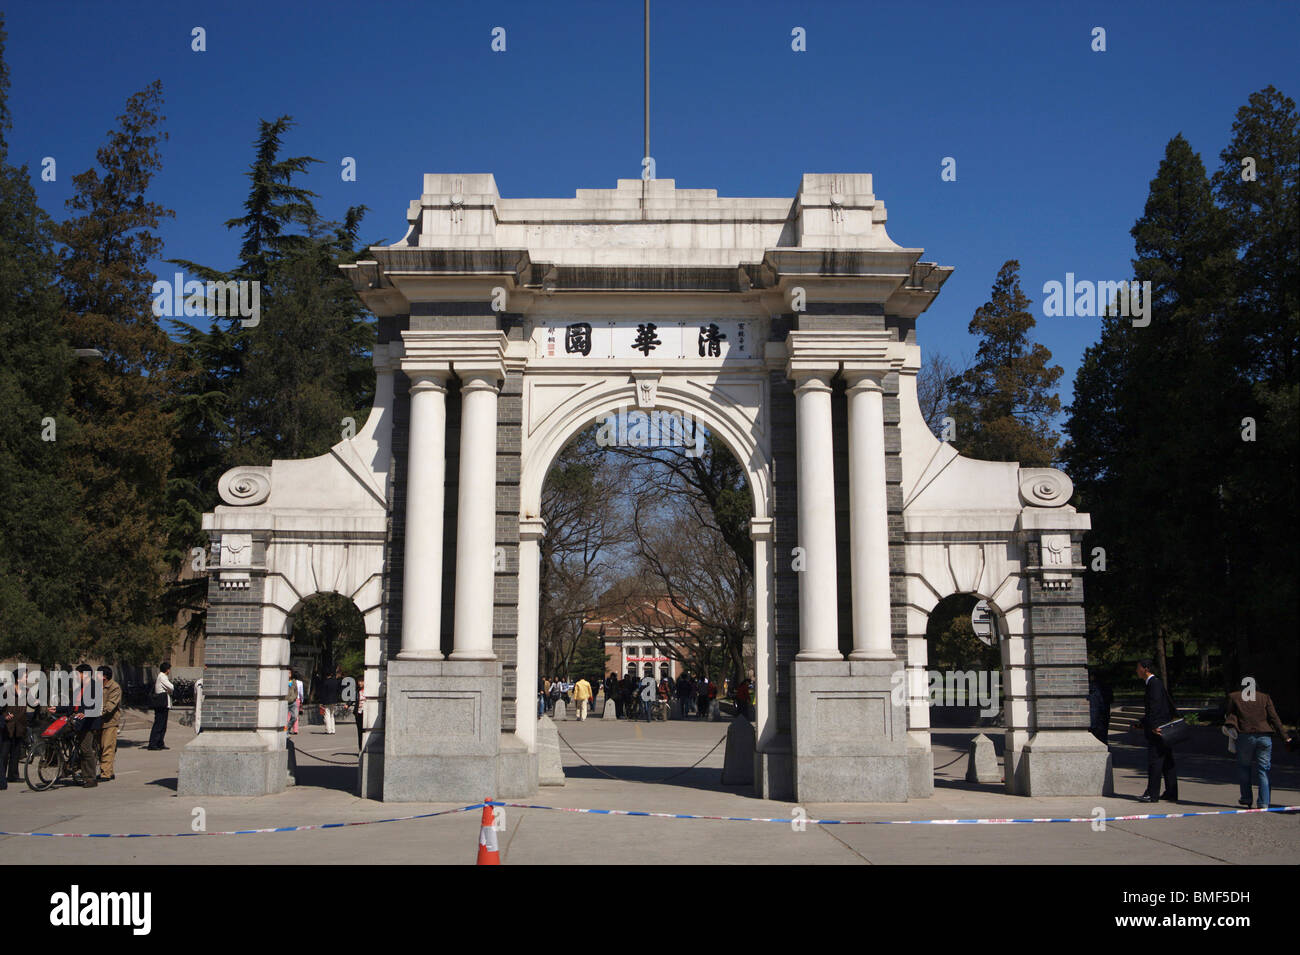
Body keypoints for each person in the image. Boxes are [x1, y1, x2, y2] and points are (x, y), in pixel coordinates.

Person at [1224, 683, 1295, 809]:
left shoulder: (1234, 697)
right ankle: (1263, 802)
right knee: (1264, 769)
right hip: (1264, 736)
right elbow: (1274, 718)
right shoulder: (1264, 697)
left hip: (1245, 736)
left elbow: (1229, 715)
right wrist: (1285, 737)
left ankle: (1246, 798)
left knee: (1244, 767)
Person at [1133, 659, 1177, 803]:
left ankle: (1151, 794)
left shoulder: (1153, 684)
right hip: (1161, 727)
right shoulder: (1155, 683)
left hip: (1158, 730)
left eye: (1138, 668)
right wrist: (1143, 722)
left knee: (1155, 762)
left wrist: (1153, 726)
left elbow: (1155, 707)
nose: (1136, 670)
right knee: (1167, 762)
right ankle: (1171, 792)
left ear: (1145, 669)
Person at [1, 669, 26, 790]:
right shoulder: (7, 691)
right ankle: (2, 776)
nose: (26, 678)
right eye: (25, 676)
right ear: (18, 678)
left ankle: (13, 775)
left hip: (19, 725)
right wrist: (4, 716)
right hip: (8, 725)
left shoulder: (26, 691)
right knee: (5, 752)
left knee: (16, 752)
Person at [96, 666, 122, 782]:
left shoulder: (114, 687)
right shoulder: (97, 686)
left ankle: (105, 773)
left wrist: (96, 713)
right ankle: (109, 771)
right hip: (98, 721)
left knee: (108, 747)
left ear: (104, 676)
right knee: (100, 748)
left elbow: (110, 706)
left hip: (110, 722)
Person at [147, 662, 174, 751]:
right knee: (159, 724)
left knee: (163, 725)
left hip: (164, 703)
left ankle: (160, 742)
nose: (170, 671)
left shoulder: (163, 676)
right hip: (161, 703)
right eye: (169, 669)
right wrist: (169, 690)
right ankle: (153, 743)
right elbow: (171, 687)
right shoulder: (162, 676)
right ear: (167, 670)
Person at [1087, 671, 1113, 746]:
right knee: (1103, 738)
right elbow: (1111, 700)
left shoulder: (1092, 688)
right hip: (1104, 717)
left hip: (1095, 719)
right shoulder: (1106, 687)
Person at [319, 667, 343, 735]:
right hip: (334, 700)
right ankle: (333, 730)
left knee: (327, 714)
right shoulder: (335, 681)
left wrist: (322, 702)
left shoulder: (325, 682)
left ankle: (328, 730)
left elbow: (323, 693)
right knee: (332, 715)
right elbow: (338, 691)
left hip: (327, 700)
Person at [354, 677, 366, 751]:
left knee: (366, 731)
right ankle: (360, 748)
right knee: (360, 731)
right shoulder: (357, 691)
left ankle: (366, 748)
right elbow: (352, 699)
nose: (360, 683)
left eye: (362, 681)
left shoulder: (368, 691)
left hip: (366, 713)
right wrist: (347, 705)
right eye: (359, 681)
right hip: (359, 713)